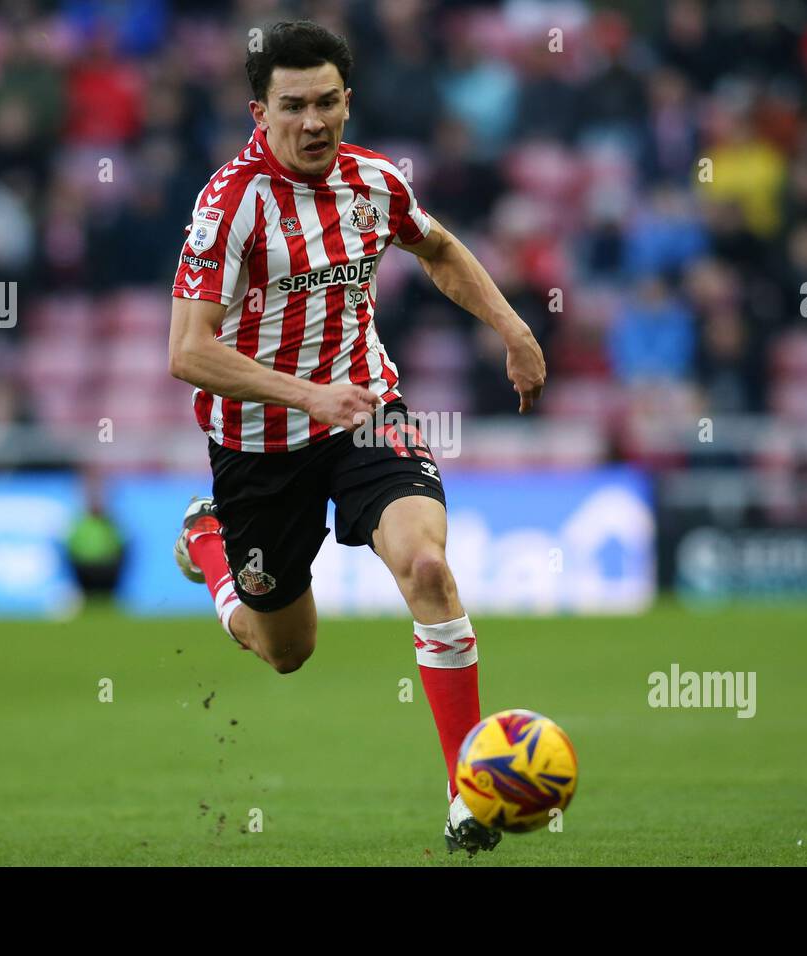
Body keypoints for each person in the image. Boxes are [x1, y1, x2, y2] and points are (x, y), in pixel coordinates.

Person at [165, 21, 545, 854]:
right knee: (285, 650)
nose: (312, 122)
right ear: (258, 112)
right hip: (259, 448)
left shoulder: (375, 182)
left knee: (430, 569)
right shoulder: (228, 207)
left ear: (348, 102)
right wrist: (307, 396)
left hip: (366, 415)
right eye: (292, 105)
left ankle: (468, 797)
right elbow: (187, 351)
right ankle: (211, 544)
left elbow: (438, 249)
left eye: (326, 102)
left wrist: (513, 329)